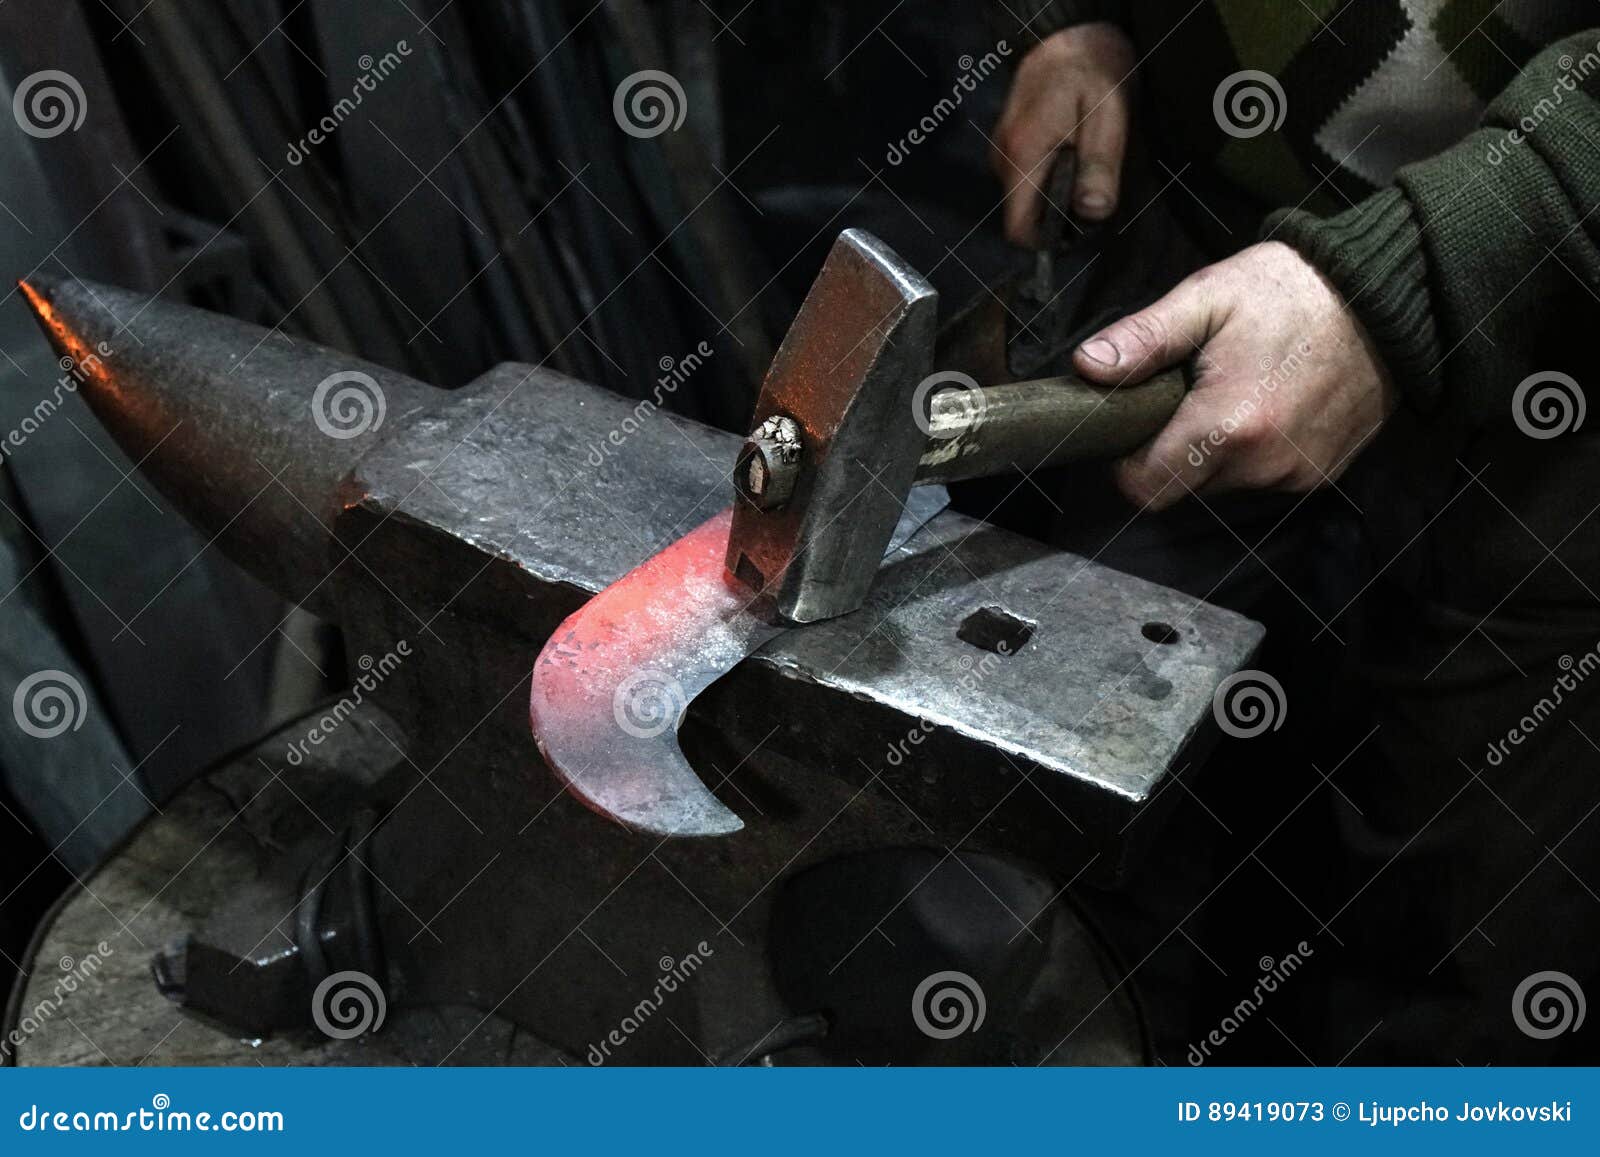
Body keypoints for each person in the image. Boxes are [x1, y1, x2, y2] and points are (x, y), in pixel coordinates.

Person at [987, 1, 1600, 1062]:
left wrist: (1410, 267)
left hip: (1558, 343)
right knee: (1090, 874)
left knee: (1457, 979)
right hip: (1207, 247)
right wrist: (1077, 19)